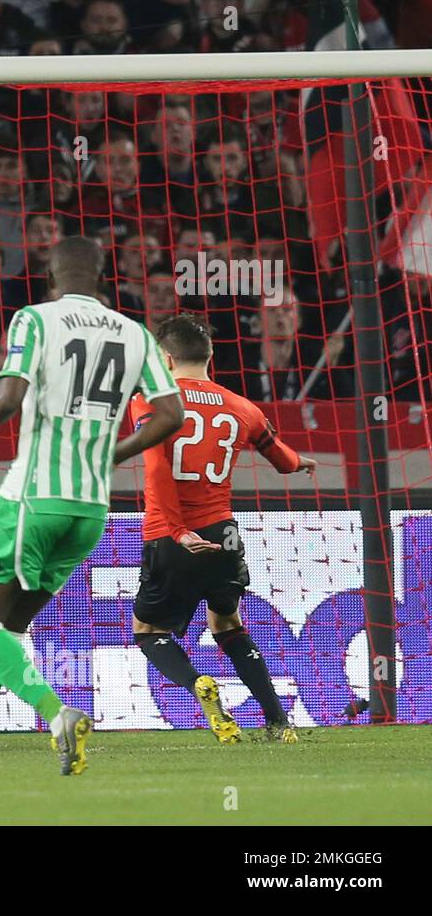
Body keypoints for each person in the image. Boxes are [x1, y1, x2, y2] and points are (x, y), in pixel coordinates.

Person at [0, 236, 184, 777]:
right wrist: (110, 454)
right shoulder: (136, 334)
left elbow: (9, 397)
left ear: (50, 277)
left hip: (33, 499)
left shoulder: (34, 320)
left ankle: (57, 716)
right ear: (102, 278)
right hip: (90, 510)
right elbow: (169, 414)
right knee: (7, 631)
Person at [128, 314, 315, 743]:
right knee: (227, 622)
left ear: (167, 358)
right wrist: (299, 461)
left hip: (172, 534)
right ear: (209, 356)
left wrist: (176, 530)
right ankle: (279, 723)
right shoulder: (241, 406)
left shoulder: (151, 400)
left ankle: (198, 684)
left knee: (149, 631)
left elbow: (157, 468)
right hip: (224, 534)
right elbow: (283, 460)